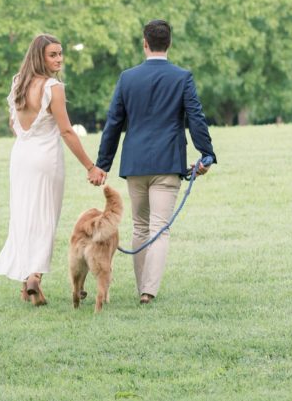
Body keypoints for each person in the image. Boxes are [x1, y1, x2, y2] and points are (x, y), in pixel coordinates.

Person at [91, 19, 216, 305]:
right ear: (169, 43)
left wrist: (103, 163)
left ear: (144, 43)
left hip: (135, 163)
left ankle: (142, 288)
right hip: (168, 162)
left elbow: (114, 123)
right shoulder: (182, 77)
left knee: (140, 227)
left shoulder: (127, 78)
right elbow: (196, 118)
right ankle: (148, 291)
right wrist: (206, 154)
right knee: (160, 227)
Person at [0, 33, 105, 305]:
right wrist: (91, 166)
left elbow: (13, 124)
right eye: (53, 54)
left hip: (20, 156)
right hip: (45, 158)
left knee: (24, 217)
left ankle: (27, 285)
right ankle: (34, 276)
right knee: (44, 219)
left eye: (60, 53)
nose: (59, 59)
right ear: (39, 57)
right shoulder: (53, 87)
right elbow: (66, 130)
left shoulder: (18, 83)